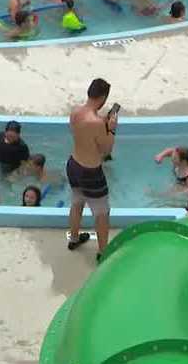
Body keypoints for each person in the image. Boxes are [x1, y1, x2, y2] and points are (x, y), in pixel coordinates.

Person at [67, 78, 116, 258]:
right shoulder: (96, 123)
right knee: (102, 213)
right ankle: (103, 252)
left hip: (73, 164)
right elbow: (106, 149)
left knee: (77, 201)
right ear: (103, 97)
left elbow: (84, 132)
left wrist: (102, 122)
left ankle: (73, 238)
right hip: (90, 171)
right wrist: (111, 129)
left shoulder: (75, 112)